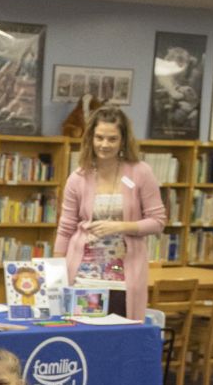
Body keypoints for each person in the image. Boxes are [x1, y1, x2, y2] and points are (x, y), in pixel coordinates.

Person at [52, 107, 167, 320]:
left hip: (123, 280)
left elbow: (158, 221)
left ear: (123, 140)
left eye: (112, 139)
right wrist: (55, 271)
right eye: (99, 138)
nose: (104, 145)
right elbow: (66, 226)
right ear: (90, 138)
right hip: (83, 279)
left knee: (118, 339)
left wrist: (121, 226)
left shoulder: (141, 172)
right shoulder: (78, 177)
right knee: (83, 341)